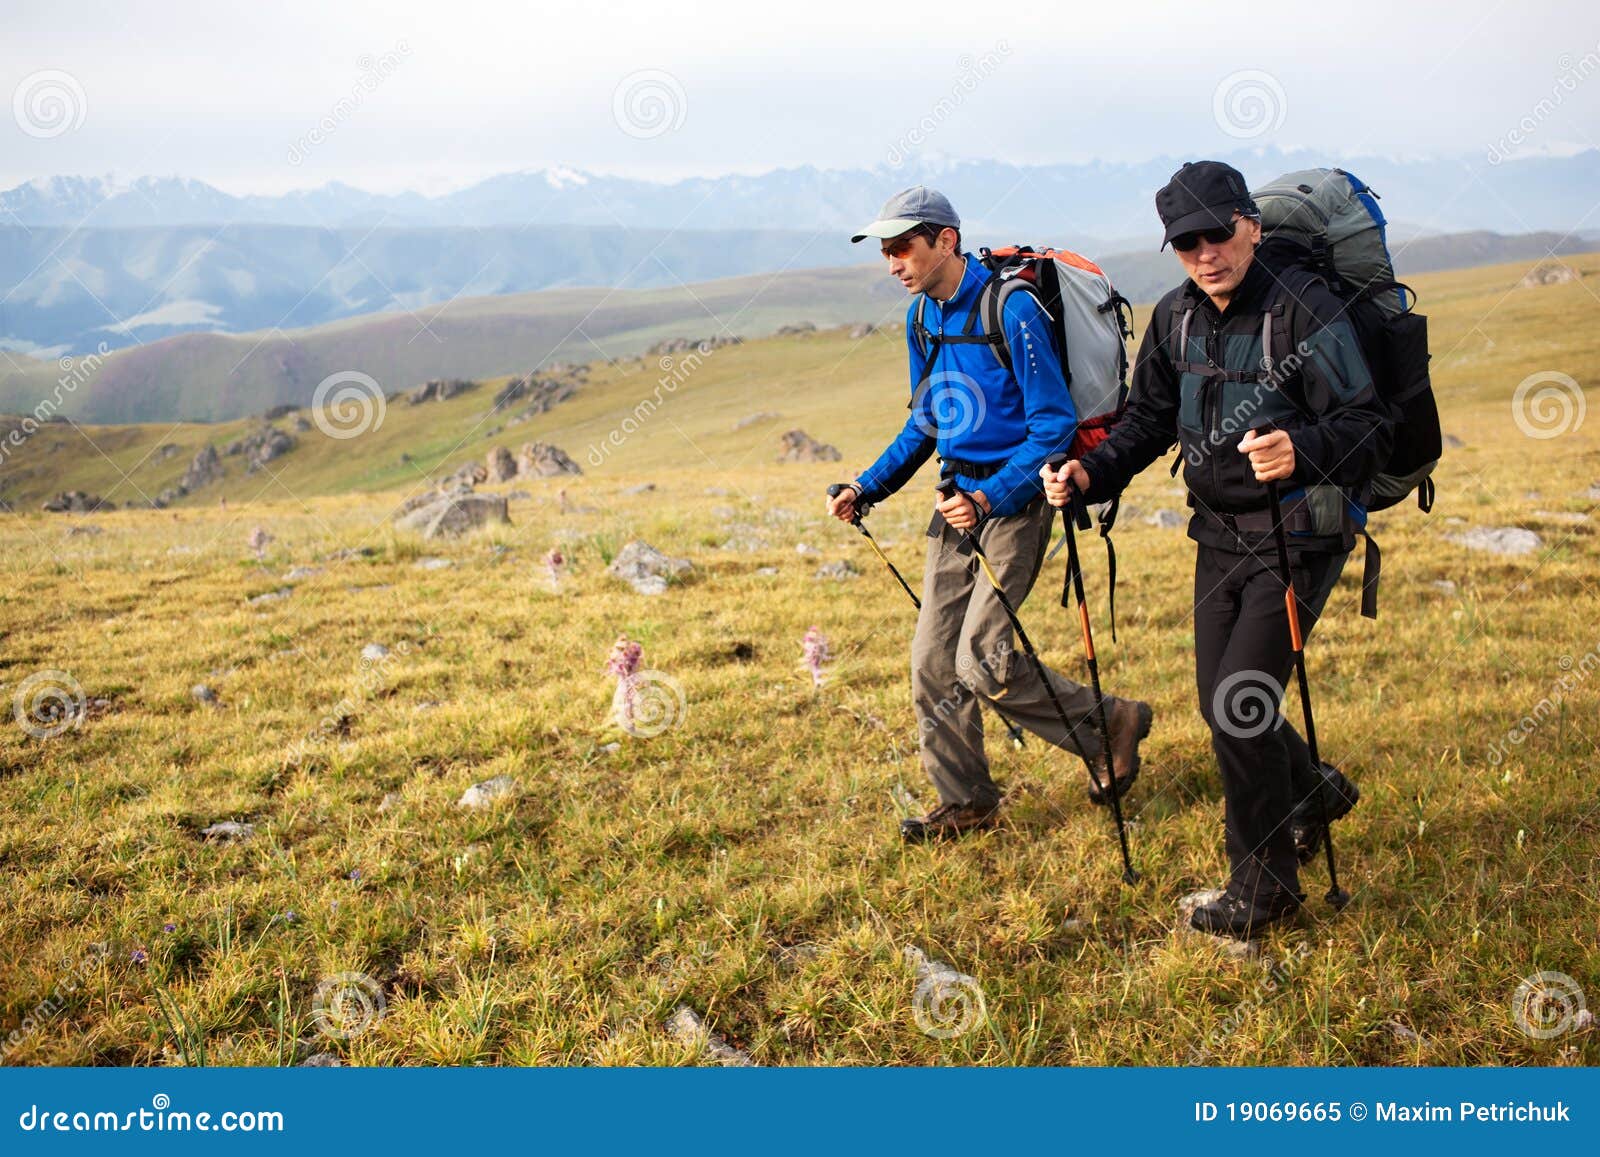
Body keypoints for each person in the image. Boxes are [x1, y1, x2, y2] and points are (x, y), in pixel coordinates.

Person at [1041, 161, 1388, 938]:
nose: (1206, 253)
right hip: (1219, 535)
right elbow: (1146, 422)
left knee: (1238, 707)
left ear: (1251, 226)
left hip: (1301, 531)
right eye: (1187, 242)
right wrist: (1087, 470)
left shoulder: (1306, 310)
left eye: (1218, 233)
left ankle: (1264, 891)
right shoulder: (1175, 319)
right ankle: (1313, 793)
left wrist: (1301, 448)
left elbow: (1369, 426)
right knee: (1223, 703)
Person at [828, 186, 1153, 844]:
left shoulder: (1015, 308)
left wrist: (989, 498)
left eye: (902, 247)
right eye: (885, 250)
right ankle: (968, 799)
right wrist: (866, 487)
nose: (892, 262)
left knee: (981, 659)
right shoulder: (923, 317)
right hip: (956, 503)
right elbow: (926, 418)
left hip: (1015, 502)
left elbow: (1053, 426)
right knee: (931, 664)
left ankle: (1110, 721)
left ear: (945, 240)